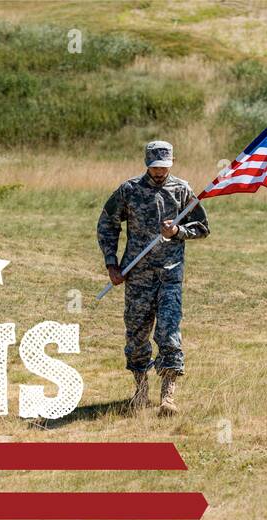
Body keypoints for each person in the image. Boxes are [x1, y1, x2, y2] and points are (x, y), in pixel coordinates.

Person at [96, 141, 209, 416]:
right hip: (137, 277)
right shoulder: (129, 190)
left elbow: (203, 228)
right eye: (155, 167)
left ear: (172, 163)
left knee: (169, 334)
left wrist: (179, 231)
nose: (159, 173)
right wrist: (111, 263)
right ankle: (140, 389)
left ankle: (168, 395)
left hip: (170, 276)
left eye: (164, 168)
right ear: (147, 164)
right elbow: (107, 224)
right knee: (137, 335)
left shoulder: (182, 190)